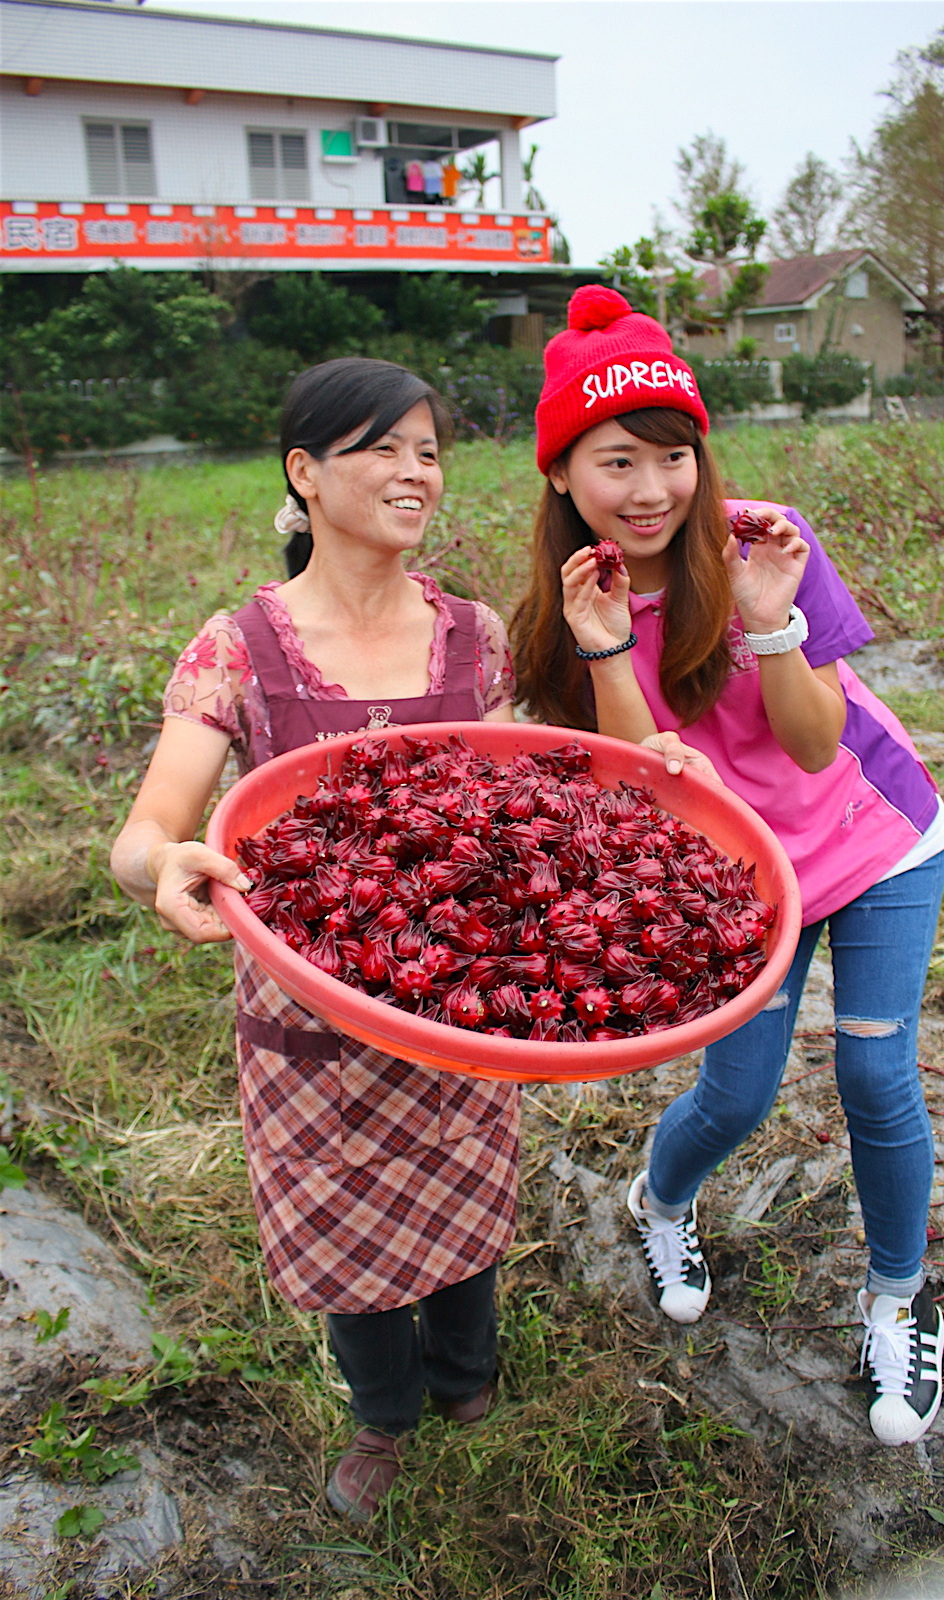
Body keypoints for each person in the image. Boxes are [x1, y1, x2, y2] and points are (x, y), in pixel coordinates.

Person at [511, 287, 944, 1448]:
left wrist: (769, 618)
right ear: (563, 473)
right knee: (739, 1091)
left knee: (876, 1082)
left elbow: (812, 745)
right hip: (731, 872)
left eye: (671, 456)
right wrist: (605, 644)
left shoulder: (765, 542)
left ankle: (900, 1299)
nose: (650, 489)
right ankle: (660, 1201)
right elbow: (634, 786)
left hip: (874, 839)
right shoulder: (567, 607)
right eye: (616, 461)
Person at [110, 358, 524, 1522]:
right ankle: (381, 1411)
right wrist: (163, 867)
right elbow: (147, 828)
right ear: (305, 471)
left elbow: (516, 800)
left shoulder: (471, 636)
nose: (414, 473)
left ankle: (467, 1374)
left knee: (461, 1188)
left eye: (429, 450)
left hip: (459, 995)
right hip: (309, 1009)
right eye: (380, 449)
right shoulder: (240, 645)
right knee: (345, 1219)